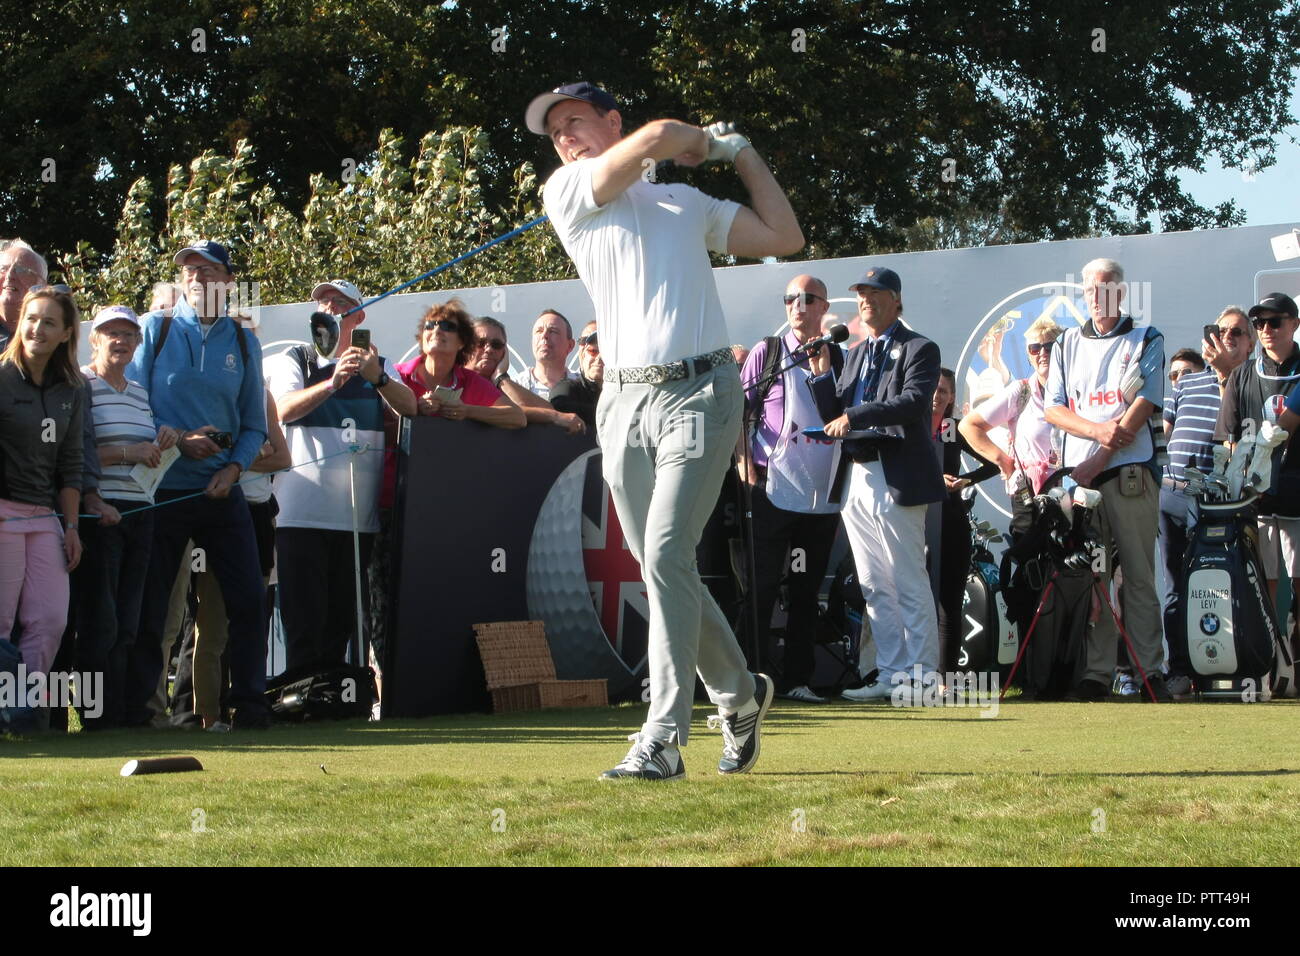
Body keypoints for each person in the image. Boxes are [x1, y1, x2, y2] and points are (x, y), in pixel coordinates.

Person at [527, 80, 802, 778]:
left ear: (609, 120)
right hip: (621, 402)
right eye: (555, 130)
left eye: (576, 121)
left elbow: (784, 236)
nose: (565, 137)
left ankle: (663, 737)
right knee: (663, 567)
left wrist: (742, 156)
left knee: (671, 550)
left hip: (702, 392)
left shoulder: (685, 202)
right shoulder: (569, 192)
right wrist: (702, 142)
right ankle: (740, 695)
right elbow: (655, 141)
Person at [125, 239, 272, 729]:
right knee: (153, 606)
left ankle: (250, 707)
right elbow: (132, 406)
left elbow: (255, 427)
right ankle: (142, 711)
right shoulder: (155, 329)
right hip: (163, 490)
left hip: (220, 491)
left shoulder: (244, 340)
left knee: (249, 600)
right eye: (188, 270)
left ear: (229, 282)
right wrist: (180, 441)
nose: (196, 278)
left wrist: (232, 470)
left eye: (208, 271)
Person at [810, 266, 945, 702]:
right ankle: (890, 673)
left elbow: (912, 403)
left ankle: (922, 678)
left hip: (897, 473)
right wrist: (820, 374)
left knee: (907, 578)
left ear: (896, 299)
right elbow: (835, 412)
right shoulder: (855, 352)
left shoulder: (919, 347)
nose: (865, 299)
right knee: (872, 582)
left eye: (874, 292)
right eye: (861, 293)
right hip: (857, 474)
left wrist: (855, 416)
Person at [268, 278, 415, 675]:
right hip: (299, 513)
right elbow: (284, 409)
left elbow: (411, 408)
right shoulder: (295, 358)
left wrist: (376, 378)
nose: (329, 307)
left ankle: (333, 704)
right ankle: (299, 699)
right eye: (322, 301)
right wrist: (333, 383)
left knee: (340, 623)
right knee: (303, 620)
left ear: (359, 315)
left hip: (354, 519)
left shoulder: (377, 367)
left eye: (339, 302)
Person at [1043, 257, 1168, 702]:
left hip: (1128, 474)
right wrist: (1096, 435)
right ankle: (1097, 672)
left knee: (1137, 575)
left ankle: (1149, 671)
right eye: (1090, 289)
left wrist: (1102, 455)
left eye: (1107, 288)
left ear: (1122, 291)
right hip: (1083, 481)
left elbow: (1143, 407)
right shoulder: (1065, 344)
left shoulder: (1146, 338)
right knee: (1094, 577)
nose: (1098, 297)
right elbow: (1053, 408)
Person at [738, 275, 843, 703]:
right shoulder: (768, 353)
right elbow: (737, 412)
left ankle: (799, 680)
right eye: (790, 299)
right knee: (760, 588)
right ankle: (747, 681)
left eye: (808, 299)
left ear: (823, 307)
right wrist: (743, 460)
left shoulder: (839, 355)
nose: (798, 305)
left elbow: (843, 411)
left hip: (819, 496)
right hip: (771, 490)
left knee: (805, 590)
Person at [74, 306, 178, 729]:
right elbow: (72, 454)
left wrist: (161, 438)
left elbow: (143, 452)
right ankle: (94, 717)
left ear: (138, 344)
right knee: (101, 623)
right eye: (111, 333)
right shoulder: (80, 385)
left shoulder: (138, 392)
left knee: (131, 623)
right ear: (94, 340)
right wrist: (125, 453)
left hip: (141, 510)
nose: (120, 341)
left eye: (128, 335)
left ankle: (122, 714)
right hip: (99, 513)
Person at [0, 287, 85, 729]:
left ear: (66, 333)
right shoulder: (1, 376)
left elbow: (71, 465)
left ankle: (24, 715)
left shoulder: (73, 388)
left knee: (50, 620)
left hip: (45, 518)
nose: (37, 328)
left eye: (49, 322)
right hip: (2, 514)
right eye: (31, 319)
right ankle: (8, 712)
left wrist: (71, 527)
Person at [1159, 309, 1253, 695]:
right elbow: (1167, 434)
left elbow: (1239, 427)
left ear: (1249, 342)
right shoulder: (1187, 383)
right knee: (1173, 586)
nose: (1227, 336)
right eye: (1221, 330)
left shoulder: (1247, 382)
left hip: (1218, 502)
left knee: (1219, 585)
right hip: (1172, 492)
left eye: (1236, 332)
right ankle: (1179, 670)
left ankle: (1220, 667)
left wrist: (1226, 374)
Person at [1216, 292, 1300, 609]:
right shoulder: (1241, 375)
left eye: (1274, 321)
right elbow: (1229, 439)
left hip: (1298, 492)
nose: (1266, 329)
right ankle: (1269, 658)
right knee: (1261, 586)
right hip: (1257, 497)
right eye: (1260, 322)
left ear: (1295, 324)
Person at [960, 318, 1067, 532]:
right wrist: (1004, 462)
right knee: (1029, 560)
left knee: (1072, 563)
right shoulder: (1022, 391)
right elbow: (968, 426)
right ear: (1028, 354)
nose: (1042, 353)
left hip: (1071, 494)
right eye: (1035, 348)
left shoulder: (1076, 391)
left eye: (1050, 347)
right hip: (1028, 494)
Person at [930, 367, 999, 675]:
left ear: (952, 397)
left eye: (943, 391)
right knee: (915, 602)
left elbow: (995, 462)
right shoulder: (911, 428)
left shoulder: (954, 428)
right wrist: (932, 479)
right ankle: (911, 675)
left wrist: (962, 480)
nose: (936, 396)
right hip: (915, 523)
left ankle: (946, 680)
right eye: (932, 389)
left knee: (950, 603)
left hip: (952, 521)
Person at [395, 299, 525, 428]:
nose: (437, 330)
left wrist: (467, 411)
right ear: (422, 337)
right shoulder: (396, 374)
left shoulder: (471, 381)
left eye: (447, 326)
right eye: (429, 325)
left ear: (462, 342)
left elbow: (517, 418)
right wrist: (416, 408)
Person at [550, 320, 604, 432]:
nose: (599, 358)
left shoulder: (625, 392)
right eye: (593, 351)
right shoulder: (568, 387)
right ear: (582, 355)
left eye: (605, 353)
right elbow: (558, 406)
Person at [515, 309, 580, 399]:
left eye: (553, 331)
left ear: (570, 345)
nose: (544, 336)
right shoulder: (515, 386)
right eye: (539, 331)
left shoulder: (583, 387)